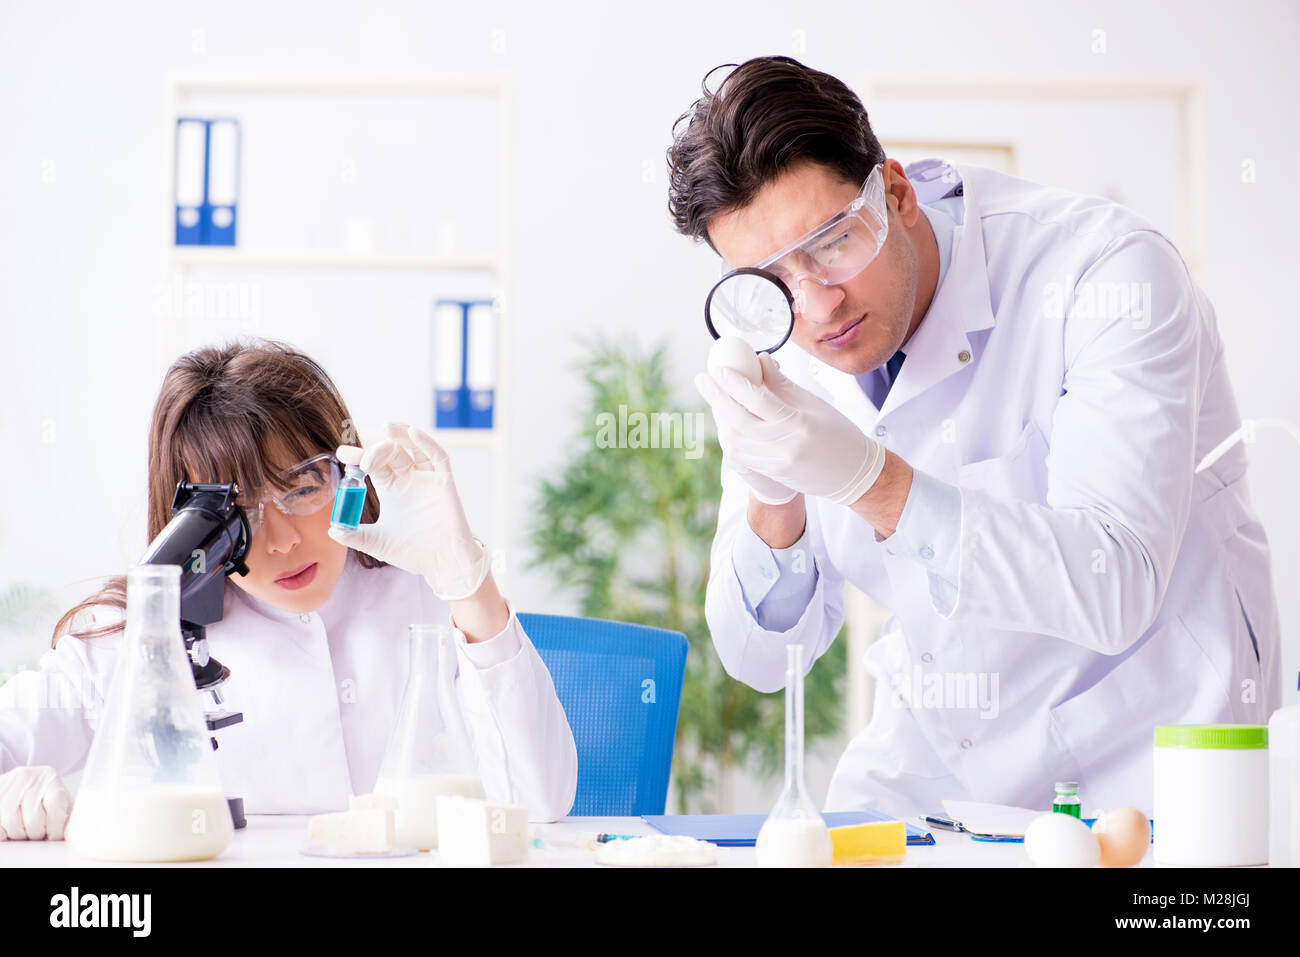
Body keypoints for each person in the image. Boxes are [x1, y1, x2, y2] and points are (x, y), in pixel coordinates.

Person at [672, 56, 1280, 818]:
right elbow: (762, 658)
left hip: (1144, 753)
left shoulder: (1106, 274)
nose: (817, 305)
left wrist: (869, 479)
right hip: (938, 753)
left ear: (895, 194)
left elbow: (1114, 581)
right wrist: (773, 494)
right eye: (771, 279)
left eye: (831, 242)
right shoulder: (783, 341)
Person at [0, 339, 576, 840]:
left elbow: (540, 802)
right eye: (240, 511)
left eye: (301, 488)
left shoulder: (424, 596)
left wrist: (468, 581)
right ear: (192, 518)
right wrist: (14, 793)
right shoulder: (140, 634)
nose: (281, 542)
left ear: (345, 473)